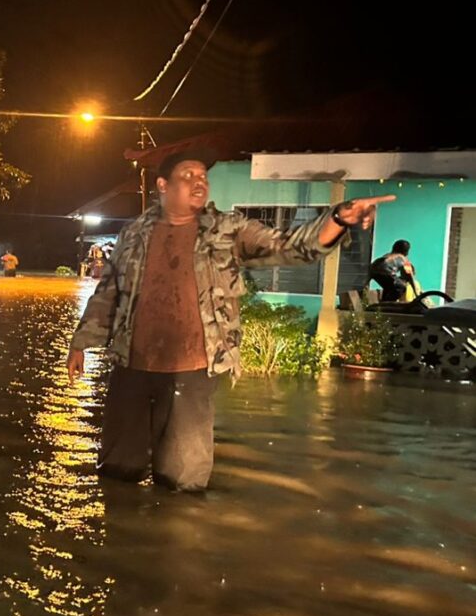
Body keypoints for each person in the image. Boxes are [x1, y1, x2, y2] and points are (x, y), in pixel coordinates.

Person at [65, 150, 394, 491]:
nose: (199, 182)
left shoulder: (227, 229)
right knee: (117, 470)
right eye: (188, 176)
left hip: (193, 369)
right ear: (162, 185)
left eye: (203, 177)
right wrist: (81, 343)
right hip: (130, 363)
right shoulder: (133, 235)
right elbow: (108, 292)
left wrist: (338, 218)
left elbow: (290, 247)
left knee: (184, 479)